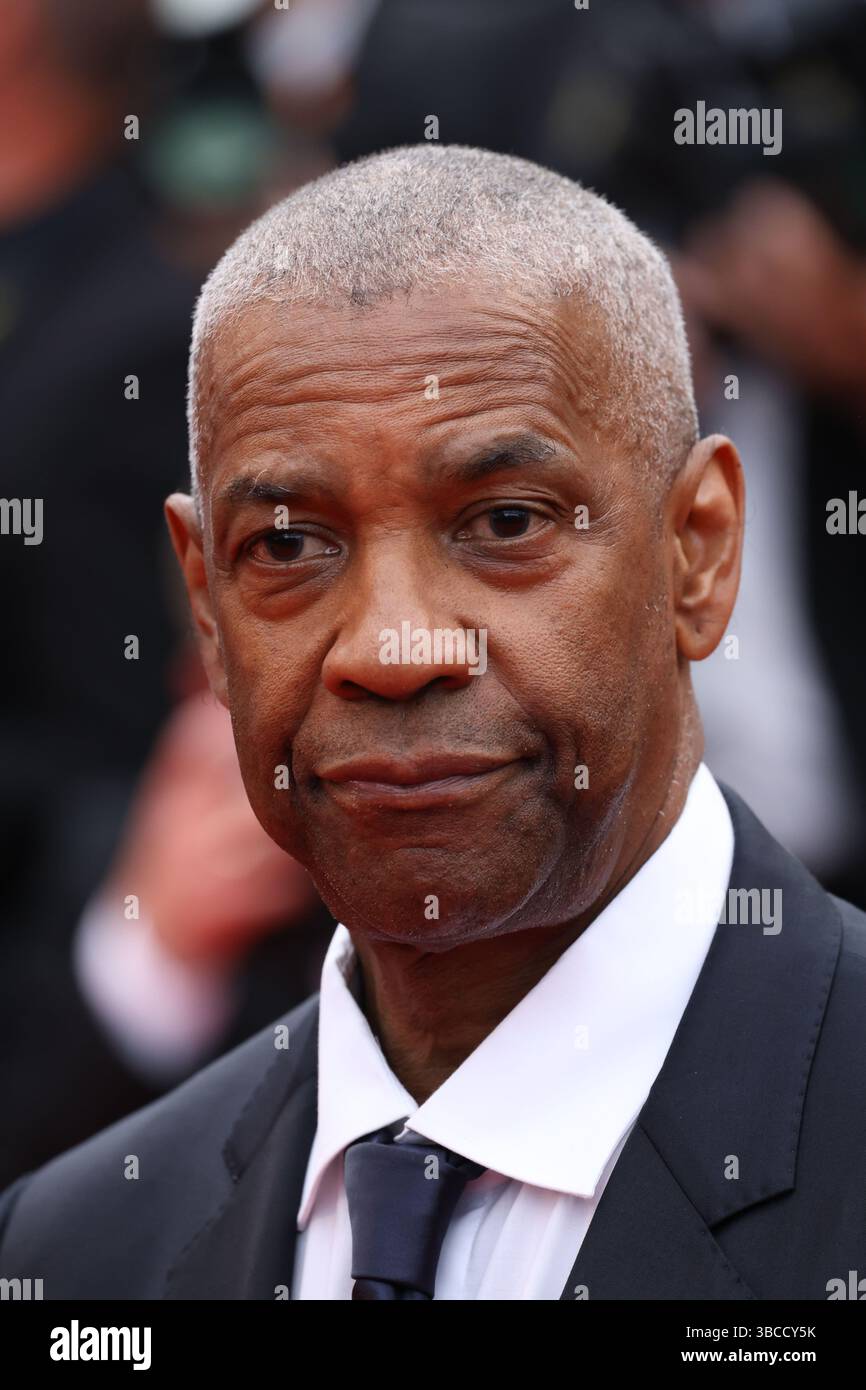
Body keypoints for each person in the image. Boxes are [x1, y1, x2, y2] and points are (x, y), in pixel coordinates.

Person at [1, 144, 864, 1301]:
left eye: (504, 520)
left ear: (695, 553)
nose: (391, 648)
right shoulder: (77, 1255)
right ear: (204, 610)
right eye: (290, 545)